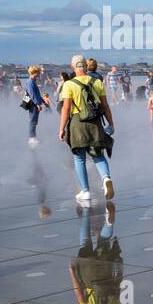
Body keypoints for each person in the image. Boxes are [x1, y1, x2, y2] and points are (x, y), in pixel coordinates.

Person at [58, 54, 115, 202]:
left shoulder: (69, 84)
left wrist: (62, 128)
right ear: (85, 66)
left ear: (73, 67)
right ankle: (106, 178)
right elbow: (105, 106)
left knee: (79, 158)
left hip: (78, 122)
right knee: (98, 154)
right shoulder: (97, 82)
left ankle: (85, 191)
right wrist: (111, 123)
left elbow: (66, 108)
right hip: (95, 122)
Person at [23, 65, 51, 144]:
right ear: (34, 72)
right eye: (38, 72)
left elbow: (37, 94)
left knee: (34, 120)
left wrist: (43, 102)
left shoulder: (33, 81)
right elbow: (32, 94)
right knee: (33, 120)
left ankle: (33, 137)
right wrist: (37, 104)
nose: (40, 74)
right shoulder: (30, 81)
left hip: (35, 103)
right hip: (33, 104)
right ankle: (31, 138)